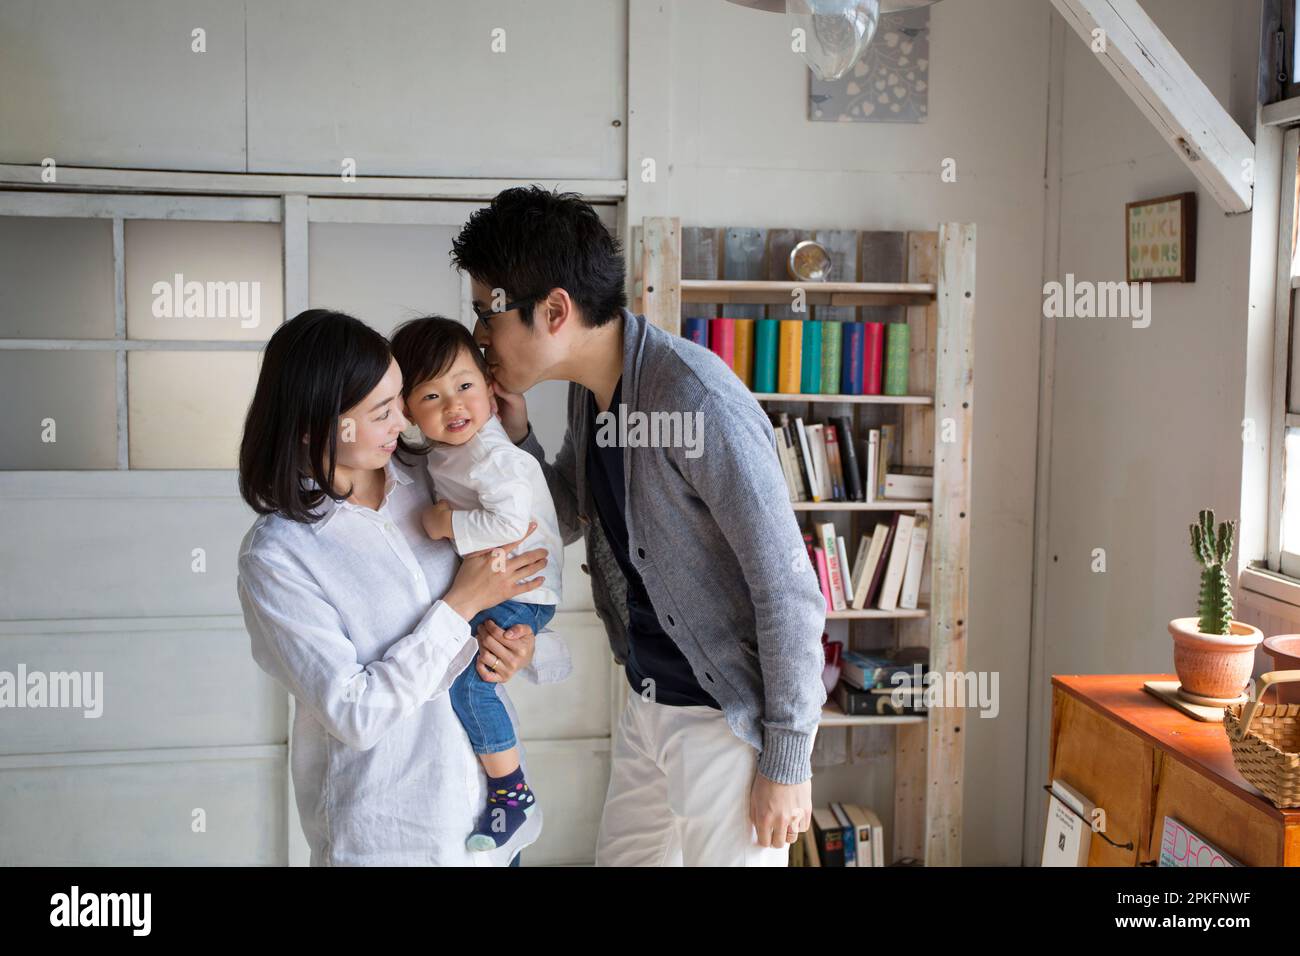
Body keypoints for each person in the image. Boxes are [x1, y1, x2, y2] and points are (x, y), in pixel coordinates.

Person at [451, 187, 828, 866]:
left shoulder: (695, 399)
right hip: (648, 701)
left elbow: (788, 586)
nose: (478, 335)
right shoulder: (591, 392)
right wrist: (517, 441)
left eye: (488, 312)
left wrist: (789, 759)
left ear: (555, 311)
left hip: (723, 721)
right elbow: (566, 512)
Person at [235, 308, 560, 866]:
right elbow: (354, 714)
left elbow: (511, 581)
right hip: (396, 842)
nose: (404, 419)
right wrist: (460, 604)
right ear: (316, 426)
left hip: (490, 834)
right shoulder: (279, 556)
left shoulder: (434, 477)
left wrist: (521, 650)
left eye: (400, 400)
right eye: (383, 411)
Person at [389, 315, 564, 852]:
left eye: (465, 386)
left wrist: (445, 524)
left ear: (489, 387)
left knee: (470, 683)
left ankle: (512, 793)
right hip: (509, 588)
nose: (453, 406)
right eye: (431, 397)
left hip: (523, 590)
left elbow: (511, 525)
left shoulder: (490, 456)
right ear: (406, 410)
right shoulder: (451, 452)